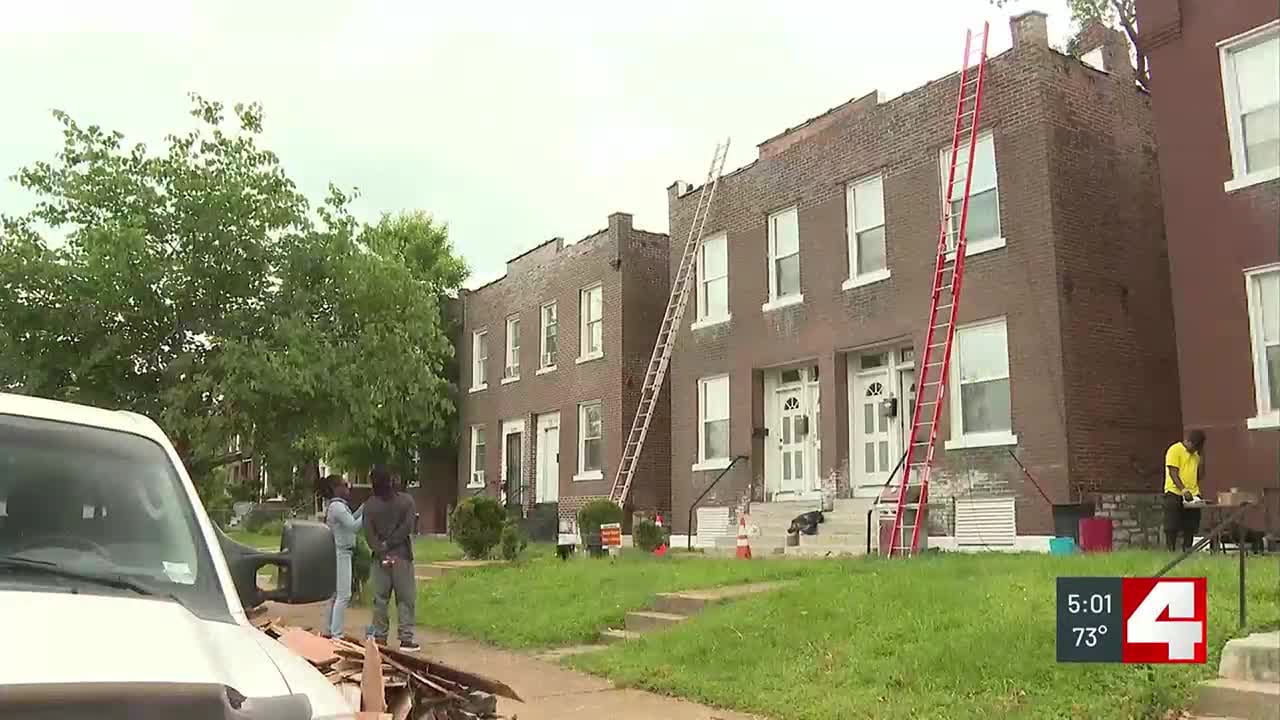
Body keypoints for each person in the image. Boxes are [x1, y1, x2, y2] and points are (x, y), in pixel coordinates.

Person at [362, 464, 419, 651]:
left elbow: (369, 534)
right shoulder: (406, 501)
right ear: (391, 481)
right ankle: (406, 639)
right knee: (405, 598)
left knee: (380, 599)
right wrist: (391, 544)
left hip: (380, 559)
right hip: (402, 555)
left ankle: (380, 637)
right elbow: (407, 527)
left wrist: (380, 549)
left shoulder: (370, 506)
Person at [321, 474, 363, 639]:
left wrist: (362, 509)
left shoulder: (336, 506)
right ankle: (336, 634)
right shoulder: (338, 507)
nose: (348, 488)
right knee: (344, 595)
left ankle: (329, 630)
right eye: (344, 485)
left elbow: (350, 520)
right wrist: (368, 513)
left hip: (337, 551)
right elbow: (354, 526)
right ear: (336, 488)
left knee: (335, 594)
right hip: (342, 552)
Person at [1163, 429, 1206, 552]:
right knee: (1172, 523)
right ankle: (1170, 549)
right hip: (1175, 492)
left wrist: (1202, 458)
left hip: (1193, 494)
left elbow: (1200, 476)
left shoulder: (1196, 455)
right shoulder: (1175, 450)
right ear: (1189, 441)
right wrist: (1183, 490)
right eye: (1195, 447)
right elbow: (1173, 472)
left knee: (1191, 524)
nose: (1195, 450)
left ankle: (1187, 549)